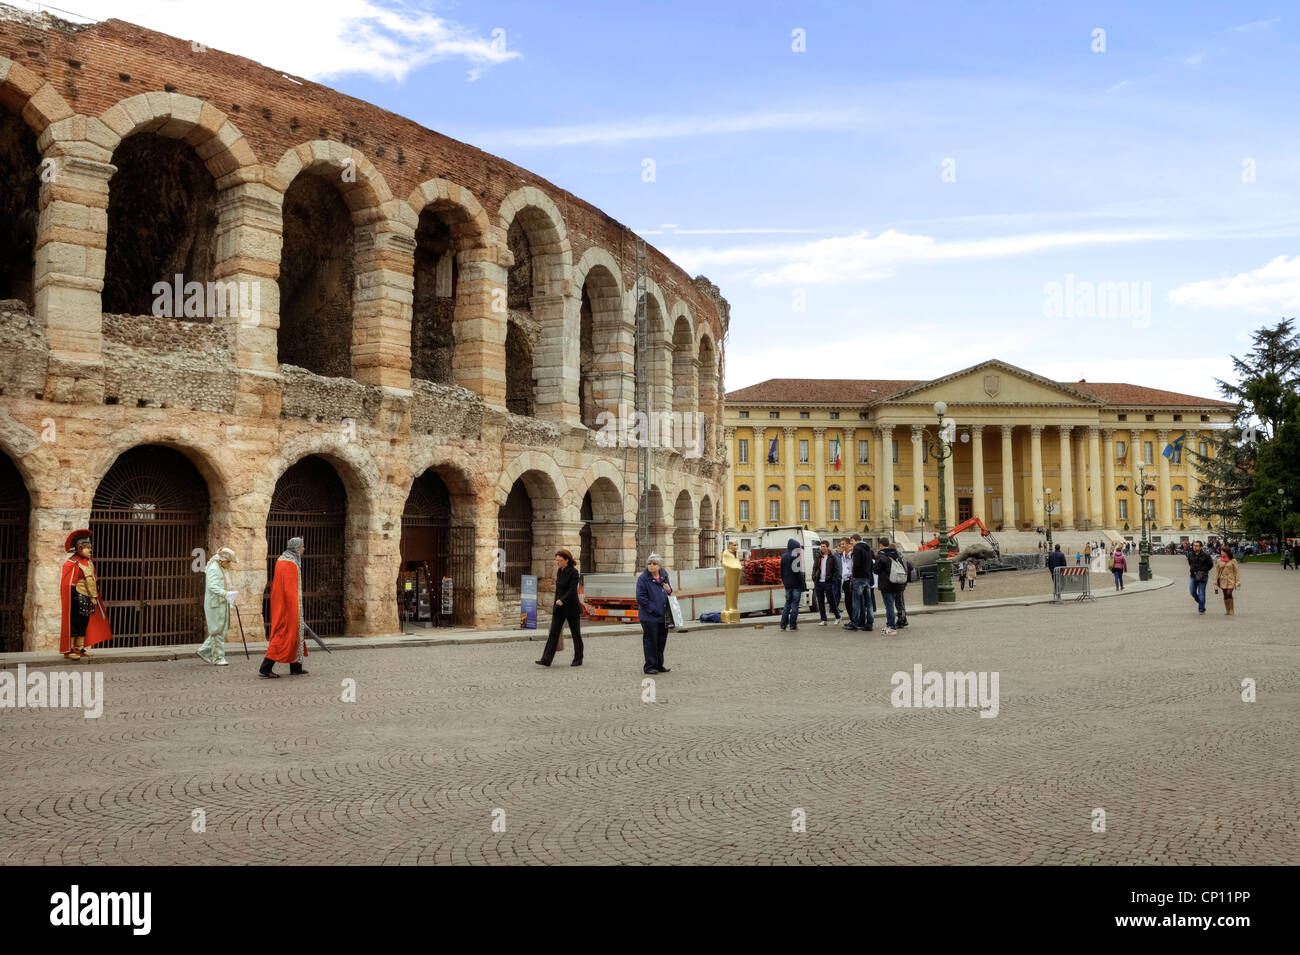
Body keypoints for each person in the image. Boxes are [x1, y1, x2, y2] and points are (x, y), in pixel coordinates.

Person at [59, 529, 111, 660]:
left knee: (84, 622)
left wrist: (93, 595)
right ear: (80, 548)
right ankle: (70, 649)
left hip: (87, 597)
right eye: (88, 548)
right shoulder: (71, 563)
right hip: (76, 597)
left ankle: (80, 647)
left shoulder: (89, 563)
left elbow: (93, 580)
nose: (90, 551)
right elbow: (68, 583)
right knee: (74, 623)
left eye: (90, 548)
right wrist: (74, 597)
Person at [261, 537, 309, 678]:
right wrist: (295, 611)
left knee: (295, 636)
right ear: (296, 548)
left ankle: (296, 667)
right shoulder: (289, 564)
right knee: (282, 636)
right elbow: (289, 591)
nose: (303, 549)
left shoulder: (285, 560)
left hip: (288, 605)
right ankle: (265, 667)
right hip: (288, 607)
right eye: (302, 546)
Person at [537, 550, 583, 667]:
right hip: (559, 608)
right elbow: (558, 590)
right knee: (553, 633)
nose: (557, 562)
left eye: (560, 560)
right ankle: (546, 659)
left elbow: (572, 590)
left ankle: (578, 659)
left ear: (566, 560)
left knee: (575, 634)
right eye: (556, 560)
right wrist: (556, 604)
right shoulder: (559, 571)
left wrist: (562, 600)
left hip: (571, 607)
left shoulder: (574, 572)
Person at [198, 547, 239, 666]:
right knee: (217, 631)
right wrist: (225, 594)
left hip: (222, 603)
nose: (230, 565)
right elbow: (212, 586)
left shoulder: (221, 568)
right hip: (215, 604)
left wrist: (229, 596)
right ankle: (218, 657)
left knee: (222, 629)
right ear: (222, 560)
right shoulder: (214, 569)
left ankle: (204, 651)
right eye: (229, 562)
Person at [636, 553, 672, 674]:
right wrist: (653, 609)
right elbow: (641, 597)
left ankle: (659, 664)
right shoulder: (643, 578)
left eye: (654, 564)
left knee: (661, 640)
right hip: (649, 616)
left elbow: (669, 590)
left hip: (663, 615)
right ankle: (650, 666)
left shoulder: (664, 575)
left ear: (659, 565)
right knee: (651, 641)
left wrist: (669, 590)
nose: (651, 566)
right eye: (649, 563)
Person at [873, 540, 908, 635]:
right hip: (897, 583)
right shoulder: (898, 555)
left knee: (889, 606)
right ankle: (893, 623)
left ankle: (891, 627)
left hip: (886, 584)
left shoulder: (882, 556)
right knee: (896, 604)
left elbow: (875, 570)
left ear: (881, 545)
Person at [844, 534, 874, 632]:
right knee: (868, 602)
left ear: (855, 540)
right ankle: (869, 623)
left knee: (856, 601)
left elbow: (856, 564)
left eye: (851, 540)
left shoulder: (857, 548)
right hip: (867, 577)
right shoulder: (867, 548)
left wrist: (854, 575)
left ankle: (854, 623)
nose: (851, 543)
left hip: (858, 577)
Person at [779, 537, 806, 631]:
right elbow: (798, 572)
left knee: (787, 604)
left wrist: (785, 582)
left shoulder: (784, 556)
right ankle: (793, 625)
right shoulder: (795, 555)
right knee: (795, 605)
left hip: (787, 585)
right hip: (796, 585)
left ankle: (783, 625)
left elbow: (781, 572)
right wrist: (802, 585)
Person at [813, 539, 841, 626]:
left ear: (827, 547)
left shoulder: (832, 557)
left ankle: (837, 616)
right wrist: (814, 577)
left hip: (828, 582)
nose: (822, 548)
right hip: (818, 582)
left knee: (831, 600)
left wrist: (832, 580)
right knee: (820, 601)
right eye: (821, 546)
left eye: (824, 546)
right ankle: (823, 619)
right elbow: (815, 568)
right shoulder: (818, 556)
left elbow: (836, 570)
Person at [1186, 540, 1213, 615]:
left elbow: (1210, 565)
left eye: (1197, 546)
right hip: (1193, 575)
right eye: (1194, 545)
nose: (1195, 547)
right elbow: (1190, 563)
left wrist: (1204, 571)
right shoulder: (1190, 554)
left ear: (1201, 547)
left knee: (1201, 593)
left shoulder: (1206, 555)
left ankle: (1201, 609)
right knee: (1192, 592)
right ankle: (1201, 602)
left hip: (1202, 576)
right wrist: (1193, 570)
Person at [1213, 546, 1241, 615]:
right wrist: (1215, 581)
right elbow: (1217, 572)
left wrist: (1238, 581)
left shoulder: (1233, 560)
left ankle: (1232, 609)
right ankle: (1227, 610)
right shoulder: (1219, 560)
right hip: (1222, 580)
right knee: (1225, 595)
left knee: (1229, 593)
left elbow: (1236, 571)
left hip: (1231, 580)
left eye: (1223, 551)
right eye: (1221, 551)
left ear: (1227, 552)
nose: (1221, 553)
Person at [838, 538, 855, 624]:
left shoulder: (852, 554)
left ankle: (855, 619)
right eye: (841, 544)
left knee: (853, 601)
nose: (842, 545)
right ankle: (851, 619)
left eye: (843, 544)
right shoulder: (843, 554)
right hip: (845, 580)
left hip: (851, 580)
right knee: (847, 602)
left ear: (848, 544)